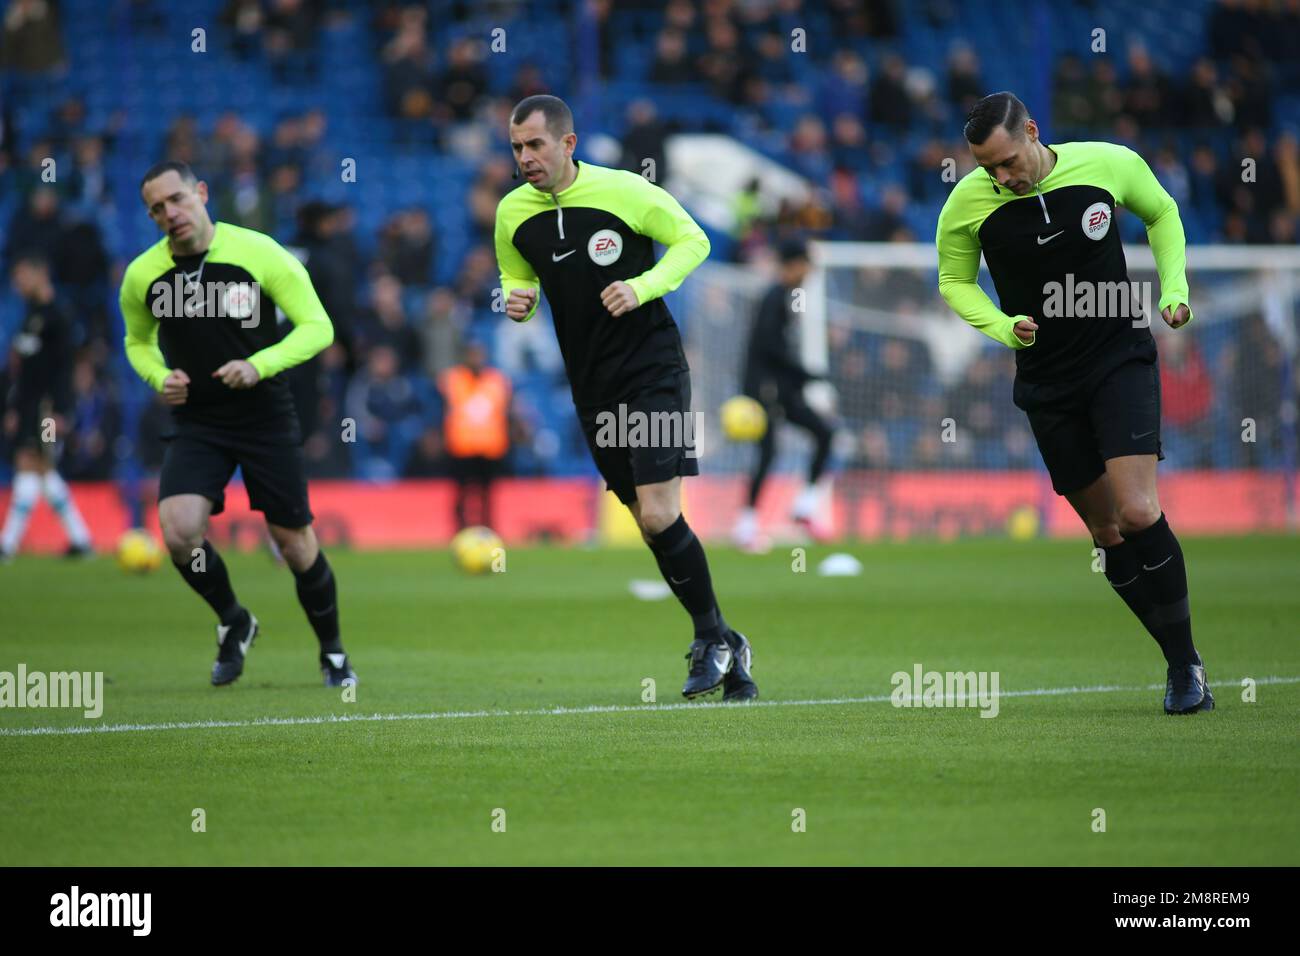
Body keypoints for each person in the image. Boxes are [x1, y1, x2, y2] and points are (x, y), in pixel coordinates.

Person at [936, 92, 1208, 715]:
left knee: (1138, 512)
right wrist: (1003, 326)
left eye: (1007, 161)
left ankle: (1184, 662)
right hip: (1047, 382)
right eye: (988, 169)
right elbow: (953, 279)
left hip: (1118, 359)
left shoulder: (1107, 163)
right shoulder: (966, 206)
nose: (1001, 177)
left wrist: (1175, 288)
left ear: (1031, 132)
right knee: (1106, 530)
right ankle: (1177, 656)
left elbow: (1161, 212)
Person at [494, 94, 756, 701]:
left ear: (568, 143)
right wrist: (515, 296)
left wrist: (642, 287)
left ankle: (709, 640)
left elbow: (693, 241)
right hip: (593, 386)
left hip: (652, 372)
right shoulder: (512, 213)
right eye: (516, 147)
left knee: (661, 512)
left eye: (535, 145)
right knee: (648, 523)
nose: (525, 158)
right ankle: (726, 642)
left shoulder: (626, 192)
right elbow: (516, 271)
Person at [119, 161, 356, 688]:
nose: (170, 214)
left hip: (264, 415)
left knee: (294, 543)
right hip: (198, 420)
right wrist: (158, 377)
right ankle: (233, 617)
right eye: (156, 208)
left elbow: (318, 326)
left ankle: (333, 651)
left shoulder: (258, 251)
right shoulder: (143, 275)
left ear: (201, 193)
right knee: (180, 533)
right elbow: (136, 341)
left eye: (177, 199)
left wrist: (260, 365)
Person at [734, 238, 835, 551]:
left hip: (780, 386)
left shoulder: (784, 296)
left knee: (823, 433)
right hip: (768, 388)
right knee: (769, 450)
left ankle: (803, 507)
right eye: (806, 266)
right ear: (793, 266)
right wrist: (804, 374)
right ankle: (746, 525)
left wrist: (799, 377)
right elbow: (766, 346)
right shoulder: (775, 297)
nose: (809, 273)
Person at [1, 254, 93, 560]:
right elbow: (24, 372)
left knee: (35, 461)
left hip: (49, 410)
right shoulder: (30, 316)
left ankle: (8, 543)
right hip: (28, 408)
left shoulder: (59, 316)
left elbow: (66, 368)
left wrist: (62, 411)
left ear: (40, 274)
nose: (17, 284)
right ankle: (80, 540)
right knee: (39, 467)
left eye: (22, 276)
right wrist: (14, 407)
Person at [438, 340, 510, 531]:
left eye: (479, 355)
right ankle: (460, 530)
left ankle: (487, 528)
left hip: (490, 447)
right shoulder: (454, 379)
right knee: (462, 493)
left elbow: (503, 412)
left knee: (487, 494)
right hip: (462, 447)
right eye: (473, 355)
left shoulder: (496, 380)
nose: (477, 359)